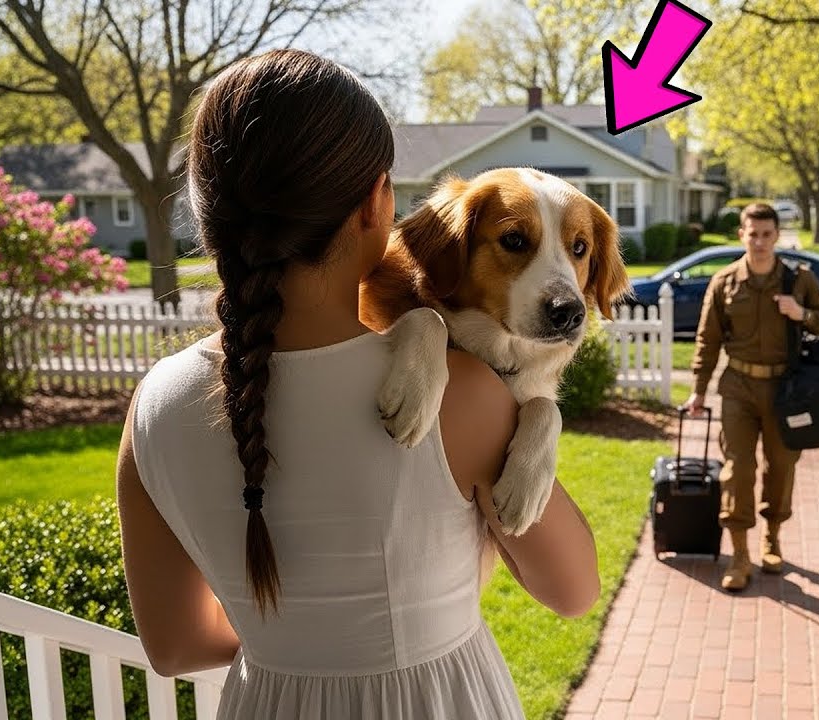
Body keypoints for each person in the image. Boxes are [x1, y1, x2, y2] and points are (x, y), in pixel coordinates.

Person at [116, 49, 599, 719]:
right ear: (375, 202)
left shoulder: (154, 406)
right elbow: (573, 590)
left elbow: (173, 647)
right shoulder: (463, 396)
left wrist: (298, 643)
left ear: (210, 216)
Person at [683, 203, 819, 592]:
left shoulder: (797, 280)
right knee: (739, 469)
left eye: (767, 234)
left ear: (777, 236)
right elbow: (708, 340)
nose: (761, 241)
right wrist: (698, 392)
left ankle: (772, 537)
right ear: (742, 235)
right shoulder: (724, 282)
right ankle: (739, 555)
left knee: (782, 466)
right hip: (738, 388)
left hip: (786, 390)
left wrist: (800, 313)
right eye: (753, 234)